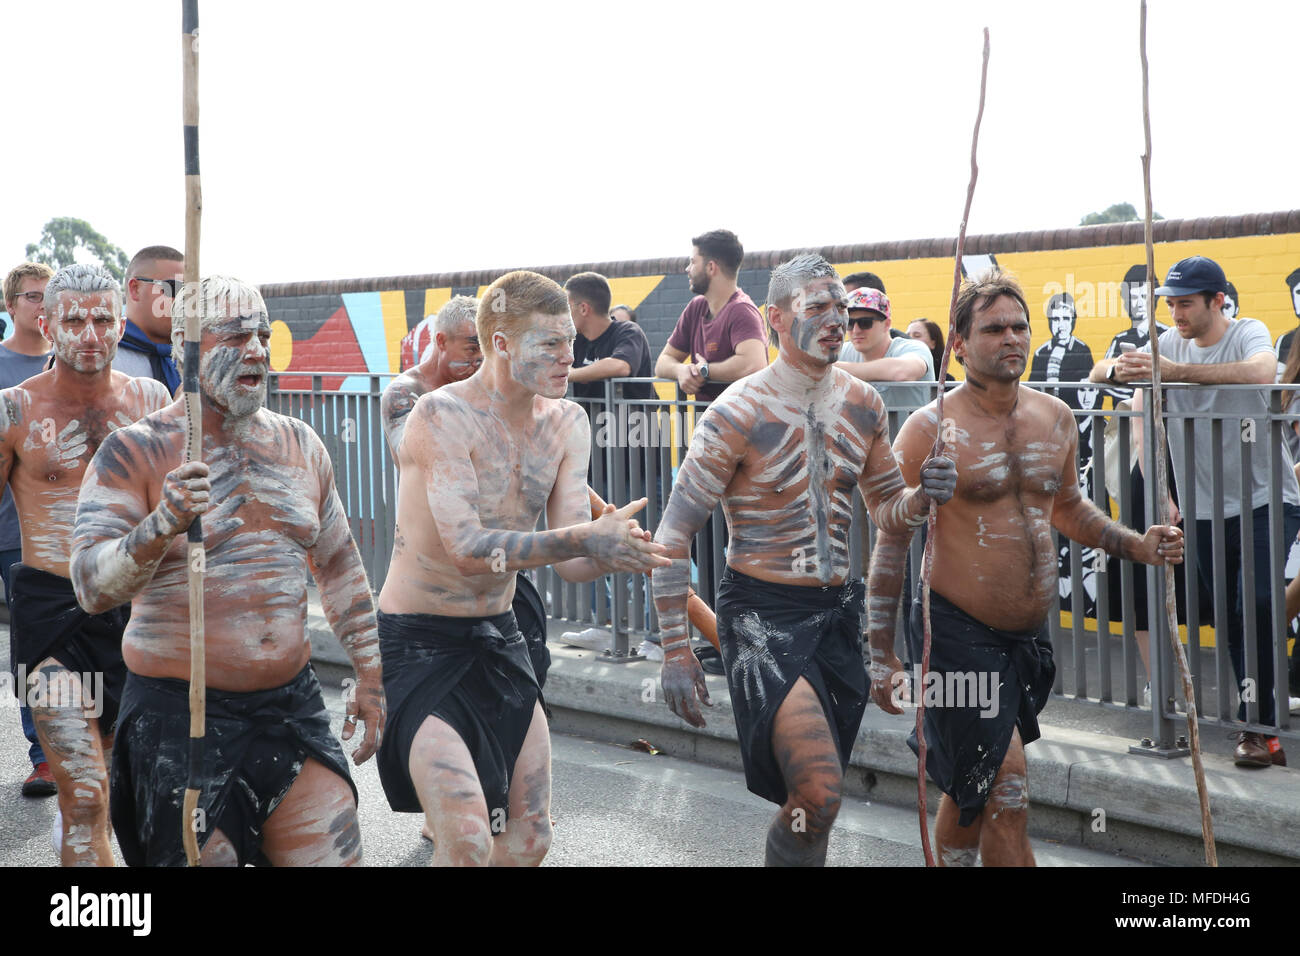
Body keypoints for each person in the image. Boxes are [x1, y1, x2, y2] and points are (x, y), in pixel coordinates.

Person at [867, 270, 1183, 867]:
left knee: (973, 789)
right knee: (1007, 790)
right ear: (958, 344)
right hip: (953, 634)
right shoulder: (929, 429)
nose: (1012, 338)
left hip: (1028, 638)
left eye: (1020, 327)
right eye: (993, 329)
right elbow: (889, 537)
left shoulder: (1055, 416)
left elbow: (1068, 508)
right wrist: (880, 652)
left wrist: (1137, 545)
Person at [653, 253, 958, 867]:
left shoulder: (865, 404)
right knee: (818, 792)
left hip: (837, 616)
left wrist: (924, 494)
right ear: (775, 318)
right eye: (817, 307)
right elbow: (671, 534)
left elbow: (889, 516)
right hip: (761, 616)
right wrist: (675, 648)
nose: (834, 321)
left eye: (840, 309)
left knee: (814, 803)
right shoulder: (736, 412)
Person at [71, 275, 384, 866]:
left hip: (291, 708)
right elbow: (90, 586)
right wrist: (161, 524)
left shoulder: (301, 445)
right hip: (178, 717)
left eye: (264, 335)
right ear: (185, 346)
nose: (259, 351)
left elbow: (340, 563)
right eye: (237, 336)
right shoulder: (134, 451)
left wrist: (370, 674)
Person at [376, 270, 669, 866]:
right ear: (503, 344)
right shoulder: (441, 414)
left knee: (531, 834)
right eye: (552, 344)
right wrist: (582, 536)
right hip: (420, 640)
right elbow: (467, 547)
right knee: (462, 836)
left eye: (570, 340)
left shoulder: (566, 422)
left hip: (498, 634)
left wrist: (610, 552)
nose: (570, 357)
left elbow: (573, 567)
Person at [1094, 254, 1300, 768]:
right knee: (1232, 614)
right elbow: (1100, 371)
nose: (1176, 314)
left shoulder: (1248, 331)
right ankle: (1262, 726)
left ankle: (1254, 727)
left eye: (1186, 303)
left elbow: (1259, 372)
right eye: (1171, 303)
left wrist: (1174, 371)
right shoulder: (1164, 342)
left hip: (1266, 497)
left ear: (1217, 301)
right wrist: (1124, 366)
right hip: (1203, 510)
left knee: (1253, 602)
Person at [1, 264, 172, 865]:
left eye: (103, 319)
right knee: (86, 794)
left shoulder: (151, 399)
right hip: (54, 613)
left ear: (121, 323)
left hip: (138, 609)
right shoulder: (14, 410)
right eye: (74, 320)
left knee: (132, 789)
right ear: (46, 324)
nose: (91, 334)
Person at [1, 262, 56, 798]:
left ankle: (57, 752)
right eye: (32, 296)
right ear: (9, 304)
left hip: (54, 531)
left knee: (53, 647)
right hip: (4, 526)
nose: (43, 306)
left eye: (49, 296)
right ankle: (44, 753)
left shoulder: (72, 364)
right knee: (28, 648)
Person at [654, 229, 768, 402]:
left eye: (693, 262)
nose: (687, 268)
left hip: (741, 426)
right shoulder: (696, 307)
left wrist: (705, 371)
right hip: (707, 425)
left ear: (711, 267)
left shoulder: (742, 311)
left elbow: (754, 365)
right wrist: (681, 371)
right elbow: (662, 362)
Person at [381, 295, 483, 457]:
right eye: (471, 349)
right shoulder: (404, 391)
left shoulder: (481, 388)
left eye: (485, 351)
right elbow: (411, 457)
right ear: (441, 341)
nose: (479, 360)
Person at [836, 287, 934, 412]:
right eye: (849, 322)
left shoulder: (912, 347)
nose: (855, 330)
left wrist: (833, 369)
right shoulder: (844, 351)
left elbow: (902, 372)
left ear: (887, 324)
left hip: (911, 431)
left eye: (865, 322)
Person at [565, 273, 654, 402]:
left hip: (631, 421)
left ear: (584, 309)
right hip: (590, 422)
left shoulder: (628, 331)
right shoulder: (575, 339)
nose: (563, 314)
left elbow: (620, 366)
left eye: (567, 307)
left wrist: (572, 374)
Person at [114, 245, 184, 393]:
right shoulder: (100, 357)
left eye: (189, 291)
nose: (183, 300)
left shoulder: (196, 360)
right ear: (135, 289)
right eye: (173, 288)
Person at [1100, 264, 1167, 402]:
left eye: (1144, 296)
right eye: (1134, 297)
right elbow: (1104, 380)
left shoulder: (1167, 335)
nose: (1139, 303)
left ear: (1155, 298)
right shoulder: (1119, 340)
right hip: (1124, 417)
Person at [1030, 292, 1095, 406]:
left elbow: (1090, 390)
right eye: (1056, 319)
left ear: (1072, 320)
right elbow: (1032, 391)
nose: (1061, 325)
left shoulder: (1082, 350)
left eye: (1065, 319)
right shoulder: (1041, 353)